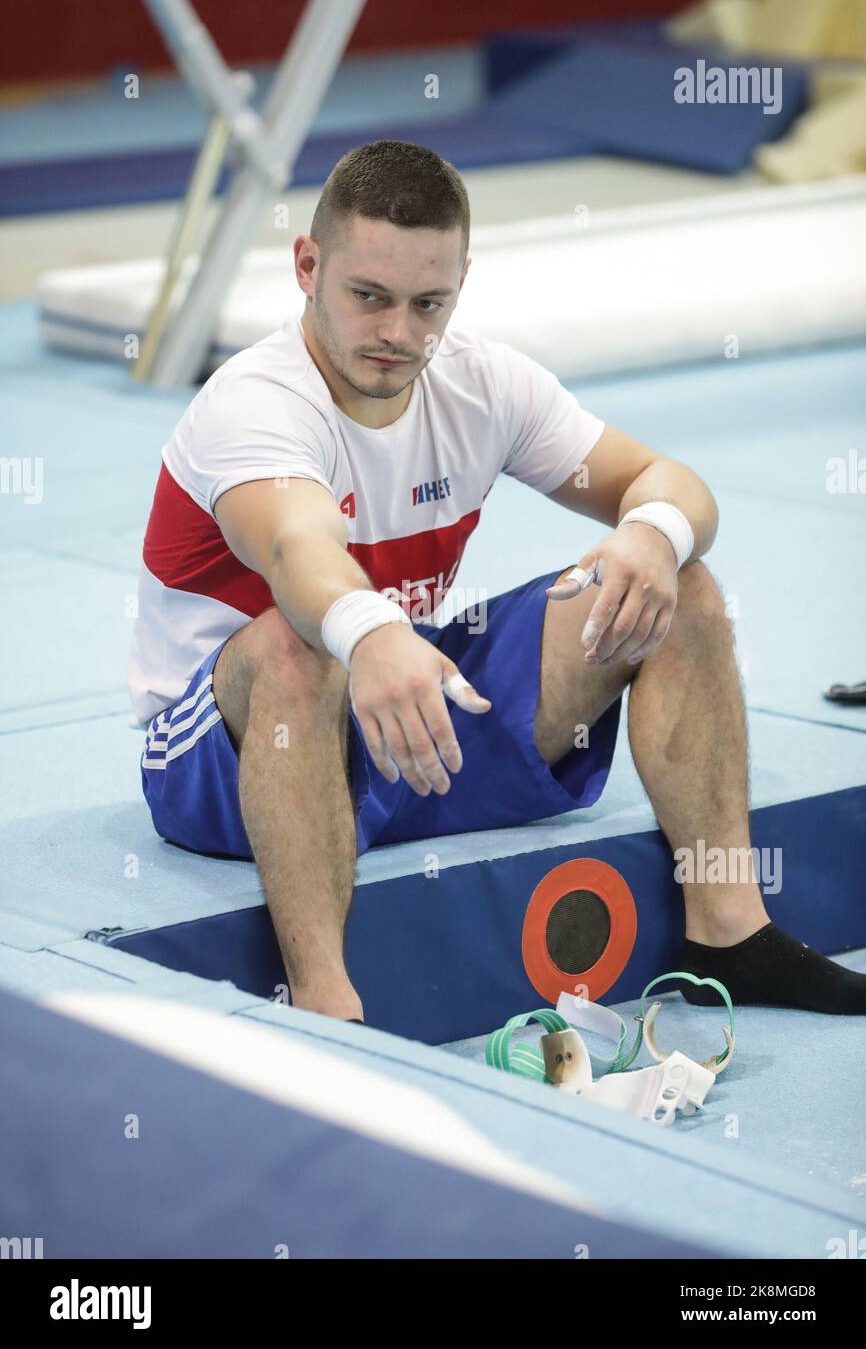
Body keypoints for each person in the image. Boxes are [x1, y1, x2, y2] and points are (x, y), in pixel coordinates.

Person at [130, 139, 866, 1023]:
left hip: (406, 714)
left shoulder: (483, 382)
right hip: (229, 754)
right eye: (369, 297)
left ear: (461, 286)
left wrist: (652, 532)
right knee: (299, 642)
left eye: (427, 303)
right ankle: (328, 1009)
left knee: (681, 586)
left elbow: (673, 481)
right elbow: (298, 549)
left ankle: (731, 933)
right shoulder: (254, 403)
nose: (399, 333)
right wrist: (369, 631)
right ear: (306, 265)